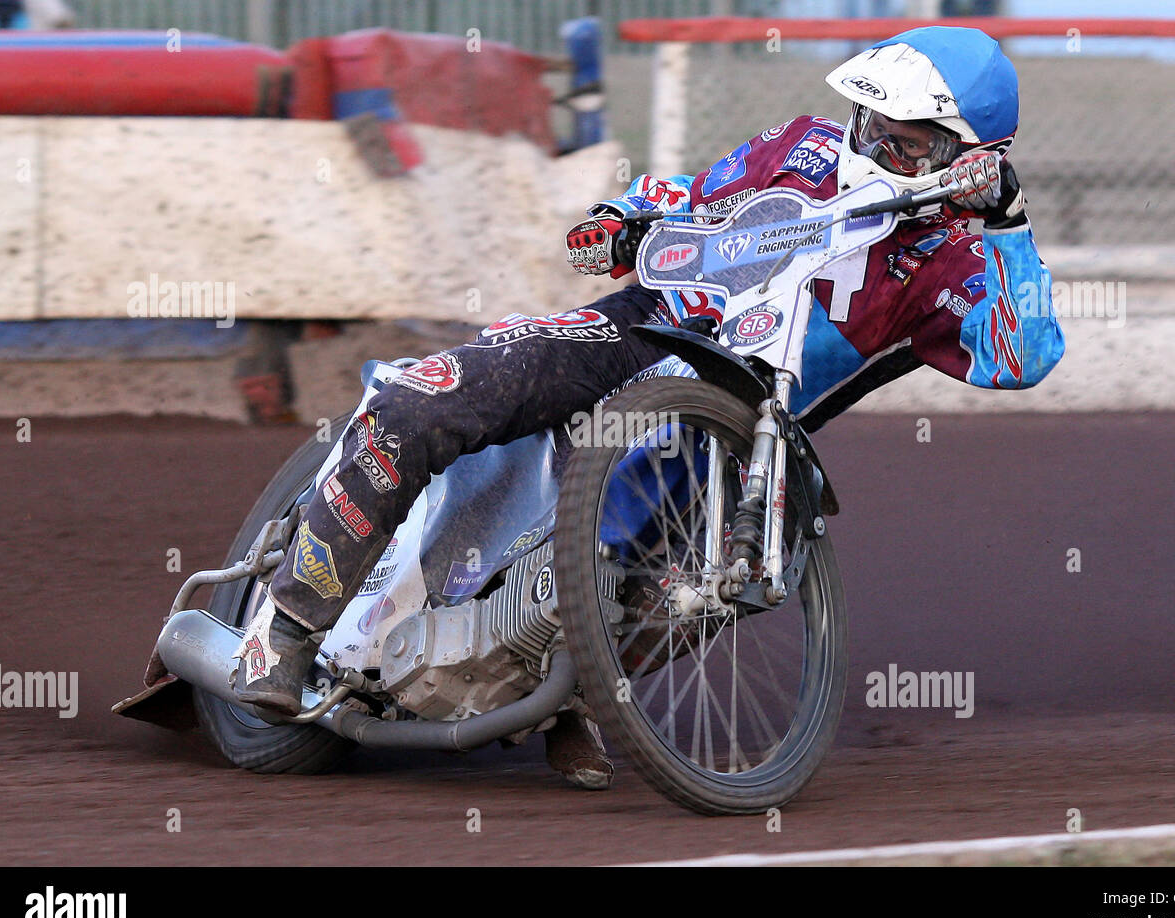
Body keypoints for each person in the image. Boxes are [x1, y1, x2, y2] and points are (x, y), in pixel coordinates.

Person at [233, 26, 1065, 790]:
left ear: (971, 156)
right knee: (427, 404)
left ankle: (575, 696)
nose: (872, 143)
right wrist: (623, 217)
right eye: (868, 119)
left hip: (732, 429)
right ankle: (287, 627)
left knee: (694, 583)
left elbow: (1023, 355)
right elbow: (694, 191)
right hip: (637, 326)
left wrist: (1010, 220)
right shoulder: (806, 147)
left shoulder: (956, 262)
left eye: (906, 140)